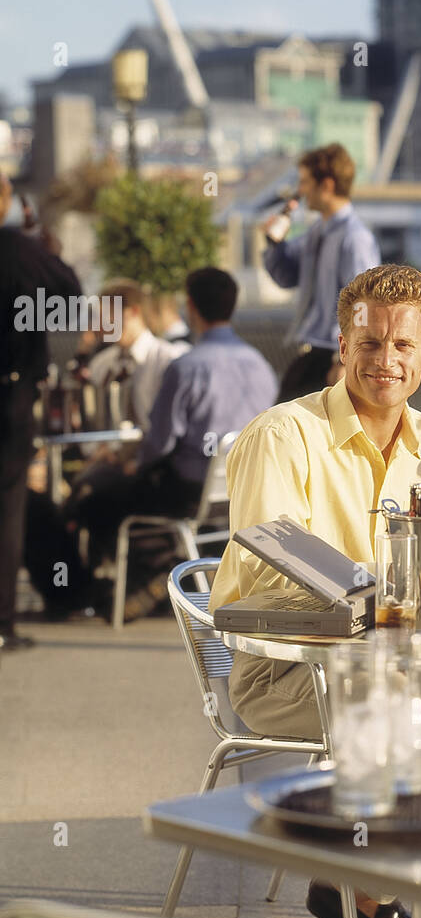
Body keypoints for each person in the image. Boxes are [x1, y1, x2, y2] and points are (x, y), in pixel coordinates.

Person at [210, 265, 421, 918]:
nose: (386, 360)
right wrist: (385, 606)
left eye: (403, 347)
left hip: (395, 660)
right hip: (284, 672)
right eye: (369, 342)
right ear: (341, 347)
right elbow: (272, 564)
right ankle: (371, 887)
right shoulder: (281, 435)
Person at [72, 266, 278, 619]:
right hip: (240, 489)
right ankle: (152, 579)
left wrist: (130, 463)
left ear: (192, 308)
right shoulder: (261, 365)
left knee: (96, 499)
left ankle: (132, 585)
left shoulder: (187, 366)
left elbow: (160, 443)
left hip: (186, 491)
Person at [0, 171, 81, 650]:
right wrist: (41, 246)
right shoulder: (20, 251)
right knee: (9, 507)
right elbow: (70, 297)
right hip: (10, 397)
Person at [263, 142, 380, 402]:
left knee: (290, 429)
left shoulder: (354, 238)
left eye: (305, 182)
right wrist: (275, 245)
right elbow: (286, 276)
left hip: (331, 358)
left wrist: (346, 362)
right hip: (311, 350)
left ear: (326, 185)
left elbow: (364, 305)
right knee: (282, 425)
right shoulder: (317, 232)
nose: (300, 191)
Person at [86, 279, 183, 431]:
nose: (100, 323)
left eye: (107, 315)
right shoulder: (100, 364)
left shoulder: (168, 360)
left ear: (134, 312)